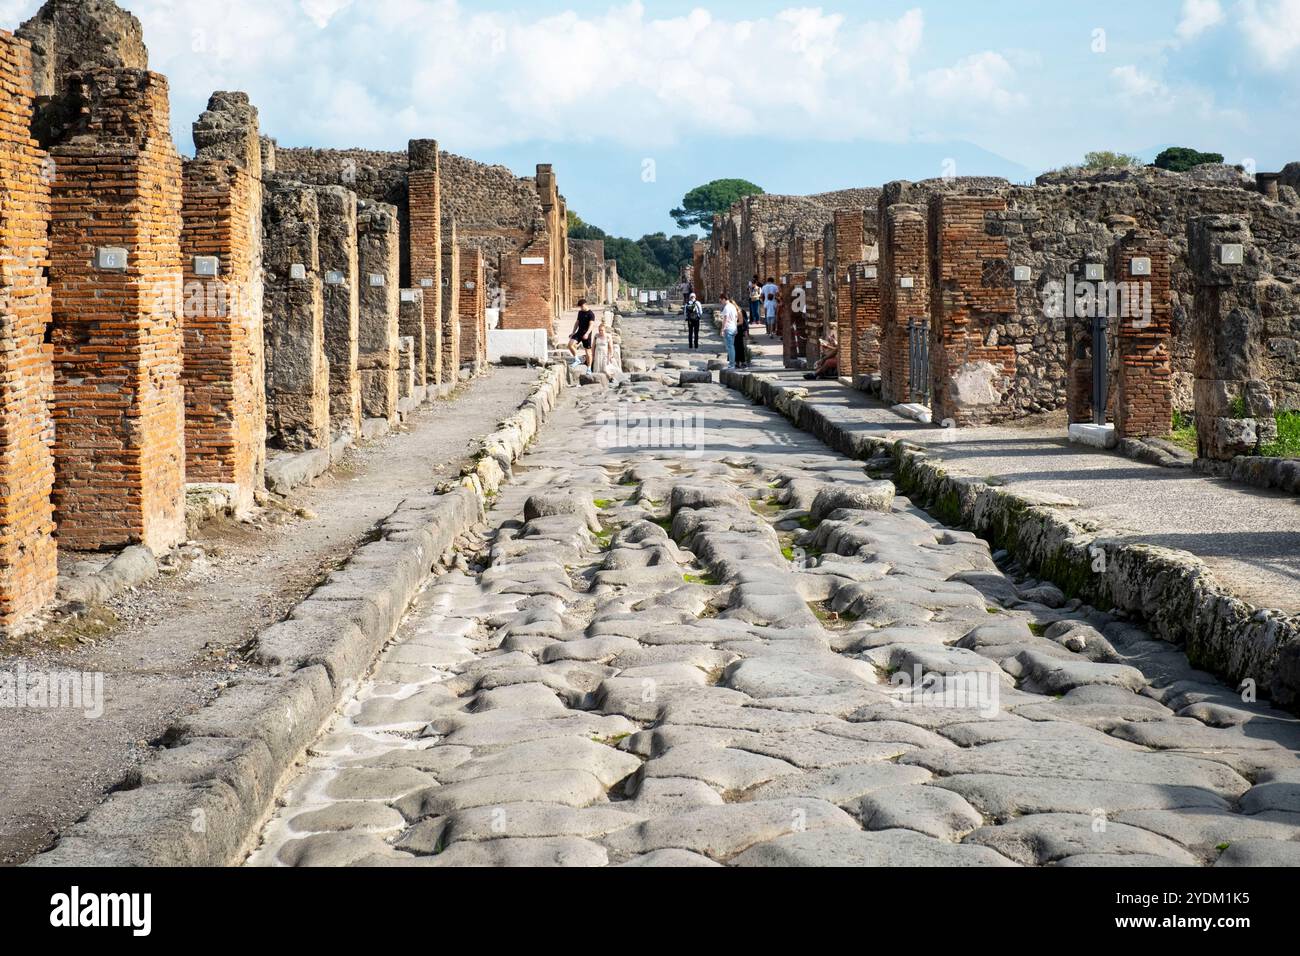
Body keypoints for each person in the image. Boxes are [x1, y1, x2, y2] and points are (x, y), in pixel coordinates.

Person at [568, 299, 596, 367]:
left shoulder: (591, 314)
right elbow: (577, 323)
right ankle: (577, 360)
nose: (581, 308)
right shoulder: (580, 312)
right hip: (579, 332)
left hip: (587, 334)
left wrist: (587, 333)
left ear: (586, 305)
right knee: (570, 345)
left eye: (582, 306)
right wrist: (573, 332)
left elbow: (591, 325)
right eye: (580, 307)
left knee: (588, 353)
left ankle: (589, 368)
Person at [719, 293, 740, 368]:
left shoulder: (727, 307)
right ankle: (732, 363)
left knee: (730, 347)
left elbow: (726, 318)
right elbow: (736, 318)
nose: (721, 302)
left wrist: (722, 329)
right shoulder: (733, 306)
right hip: (733, 328)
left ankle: (732, 364)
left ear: (724, 299)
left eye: (721, 300)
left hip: (728, 328)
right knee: (732, 346)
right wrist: (736, 328)